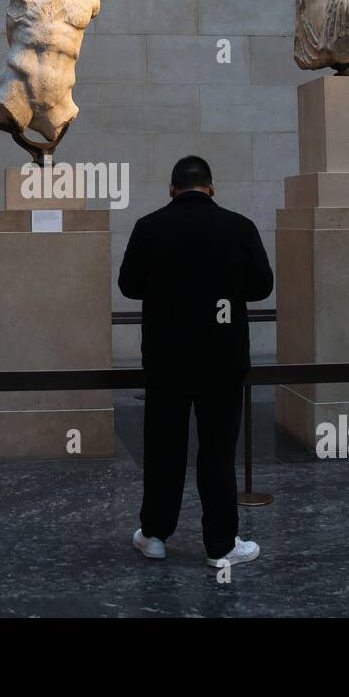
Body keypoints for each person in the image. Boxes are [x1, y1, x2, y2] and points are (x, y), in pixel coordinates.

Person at [117, 155, 273, 568]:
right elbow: (261, 287)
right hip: (222, 357)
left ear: (172, 189)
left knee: (163, 448)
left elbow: (129, 285)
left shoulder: (149, 227)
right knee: (218, 451)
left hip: (167, 358)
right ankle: (220, 546)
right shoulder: (239, 227)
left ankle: (153, 535)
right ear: (211, 187)